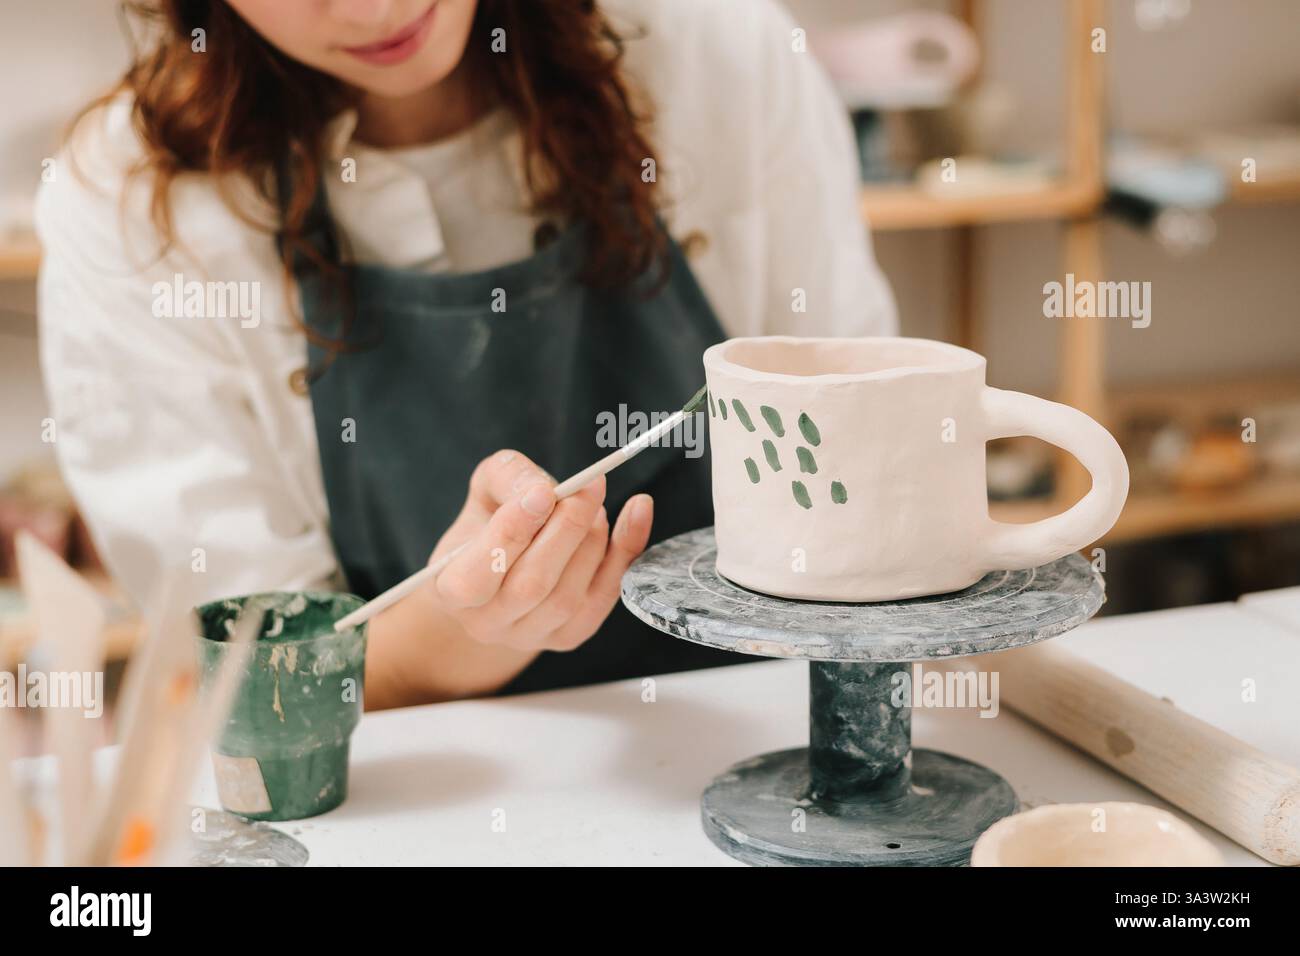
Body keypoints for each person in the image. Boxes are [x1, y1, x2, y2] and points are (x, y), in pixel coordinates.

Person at [37, 0, 896, 709]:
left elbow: (869, 455)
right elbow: (255, 687)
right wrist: (456, 630)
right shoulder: (129, 205)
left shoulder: (712, 52)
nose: (369, 8)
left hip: (771, 736)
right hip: (419, 798)